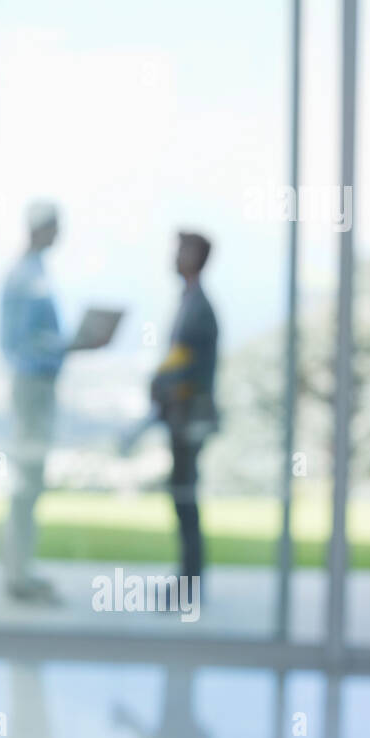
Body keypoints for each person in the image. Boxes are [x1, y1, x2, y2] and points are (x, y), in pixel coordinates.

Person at [0, 201, 74, 603]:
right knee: (27, 480)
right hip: (32, 385)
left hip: (39, 384)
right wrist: (65, 346)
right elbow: (20, 342)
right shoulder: (25, 277)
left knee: (32, 480)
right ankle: (17, 574)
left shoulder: (35, 273)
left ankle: (21, 569)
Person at [149, 231, 219, 591]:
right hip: (181, 417)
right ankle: (187, 581)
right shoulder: (189, 301)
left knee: (185, 498)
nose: (174, 256)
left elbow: (185, 364)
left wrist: (159, 382)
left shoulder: (197, 307)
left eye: (181, 250)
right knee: (183, 497)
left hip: (190, 418)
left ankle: (189, 585)